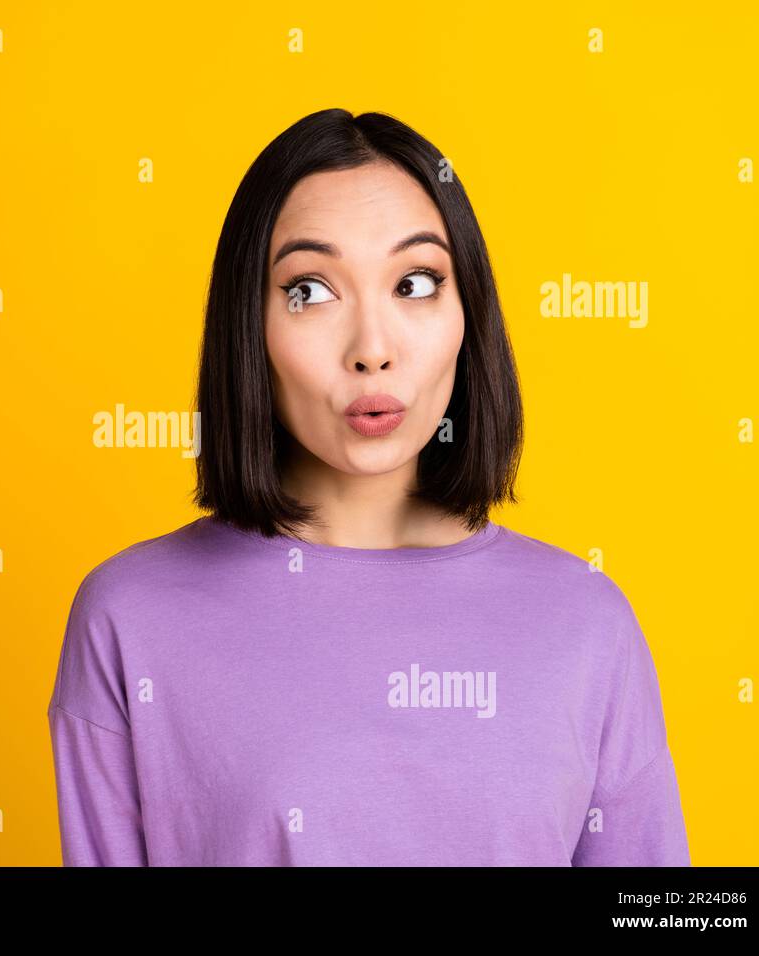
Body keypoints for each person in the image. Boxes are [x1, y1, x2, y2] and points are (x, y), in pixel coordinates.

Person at [45, 108, 690, 866]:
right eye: (310, 291)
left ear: (467, 313)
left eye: (415, 283)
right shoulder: (130, 618)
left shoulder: (587, 623)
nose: (373, 350)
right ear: (247, 328)